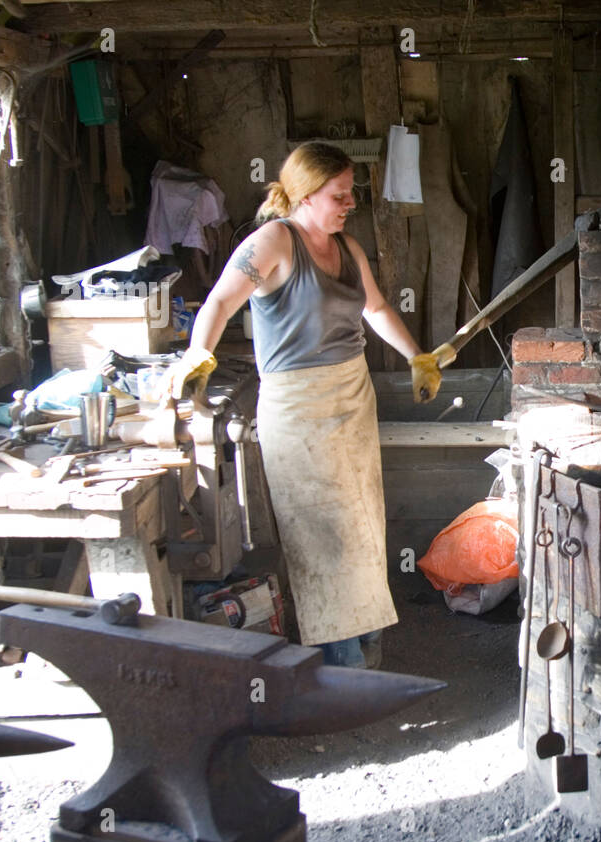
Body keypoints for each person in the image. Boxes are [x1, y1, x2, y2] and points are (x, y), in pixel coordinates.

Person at [163, 143, 455, 667]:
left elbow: (377, 307)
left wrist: (418, 357)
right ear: (304, 194)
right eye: (339, 195)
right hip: (297, 409)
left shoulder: (347, 249)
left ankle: (366, 645)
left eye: (350, 194)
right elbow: (220, 302)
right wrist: (197, 357)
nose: (349, 204)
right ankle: (340, 662)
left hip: (351, 396)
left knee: (363, 527)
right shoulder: (273, 242)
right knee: (321, 536)